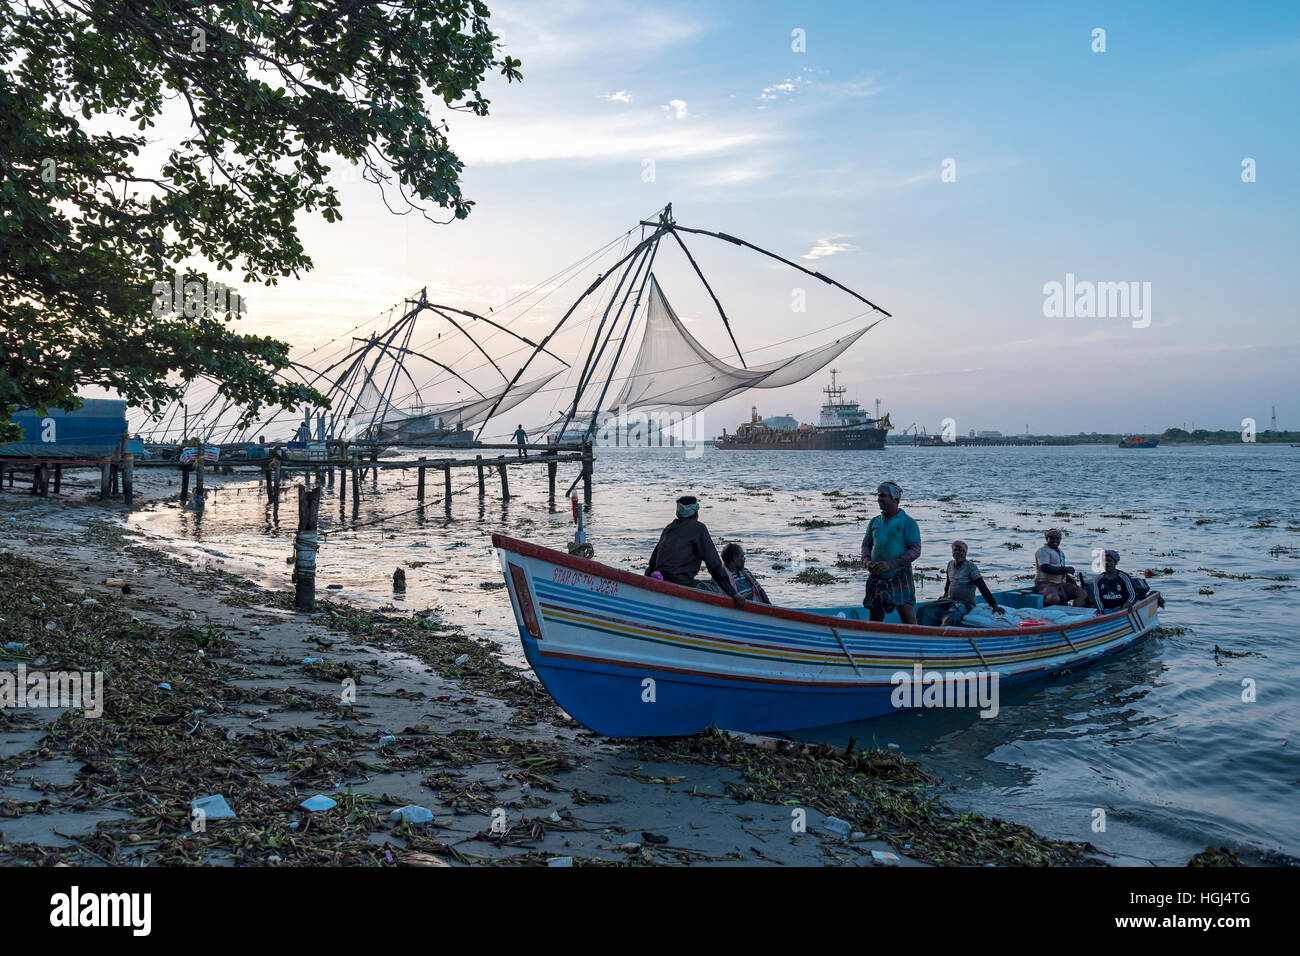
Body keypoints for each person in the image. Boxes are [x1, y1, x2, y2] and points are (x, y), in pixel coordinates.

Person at [647, 496, 745, 608]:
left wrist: (647, 582)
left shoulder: (668, 529)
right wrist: (734, 594)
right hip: (682, 584)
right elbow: (714, 565)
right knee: (717, 588)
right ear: (696, 513)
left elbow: (652, 563)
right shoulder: (699, 529)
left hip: (662, 580)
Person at [861, 481, 921, 624]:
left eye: (883, 496)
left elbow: (915, 550)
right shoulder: (874, 522)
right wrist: (867, 561)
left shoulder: (908, 523)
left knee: (907, 617)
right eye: (878, 495)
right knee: (875, 617)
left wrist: (890, 564)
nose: (879, 499)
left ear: (894, 498)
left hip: (899, 574)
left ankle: (915, 642)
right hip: (877, 575)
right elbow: (866, 545)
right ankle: (874, 640)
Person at [918, 540, 1004, 626]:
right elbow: (948, 583)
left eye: (962, 551)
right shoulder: (950, 564)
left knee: (950, 617)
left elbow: (982, 587)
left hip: (965, 604)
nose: (958, 553)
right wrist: (944, 595)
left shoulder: (971, 567)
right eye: (956, 550)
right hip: (950, 600)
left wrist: (994, 605)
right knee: (923, 610)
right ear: (952, 552)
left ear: (965, 554)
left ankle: (943, 632)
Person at [1034, 528, 1088, 607]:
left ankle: (1075, 614)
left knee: (1082, 593)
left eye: (1057, 539)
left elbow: (1058, 568)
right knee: (1053, 599)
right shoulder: (1042, 551)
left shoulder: (1061, 553)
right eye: (1052, 538)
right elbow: (1045, 567)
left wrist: (1067, 577)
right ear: (1046, 539)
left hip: (1061, 584)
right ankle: (1042, 609)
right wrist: (1065, 569)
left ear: (1060, 540)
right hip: (1045, 584)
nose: (1055, 540)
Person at [1088, 549, 1138, 613]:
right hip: (1106, 610)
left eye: (1109, 561)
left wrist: (1129, 603)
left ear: (1115, 563)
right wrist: (1101, 611)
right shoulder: (1098, 579)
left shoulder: (1124, 577)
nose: (1107, 563)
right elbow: (1097, 598)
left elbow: (1132, 594)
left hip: (1120, 608)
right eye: (1104, 561)